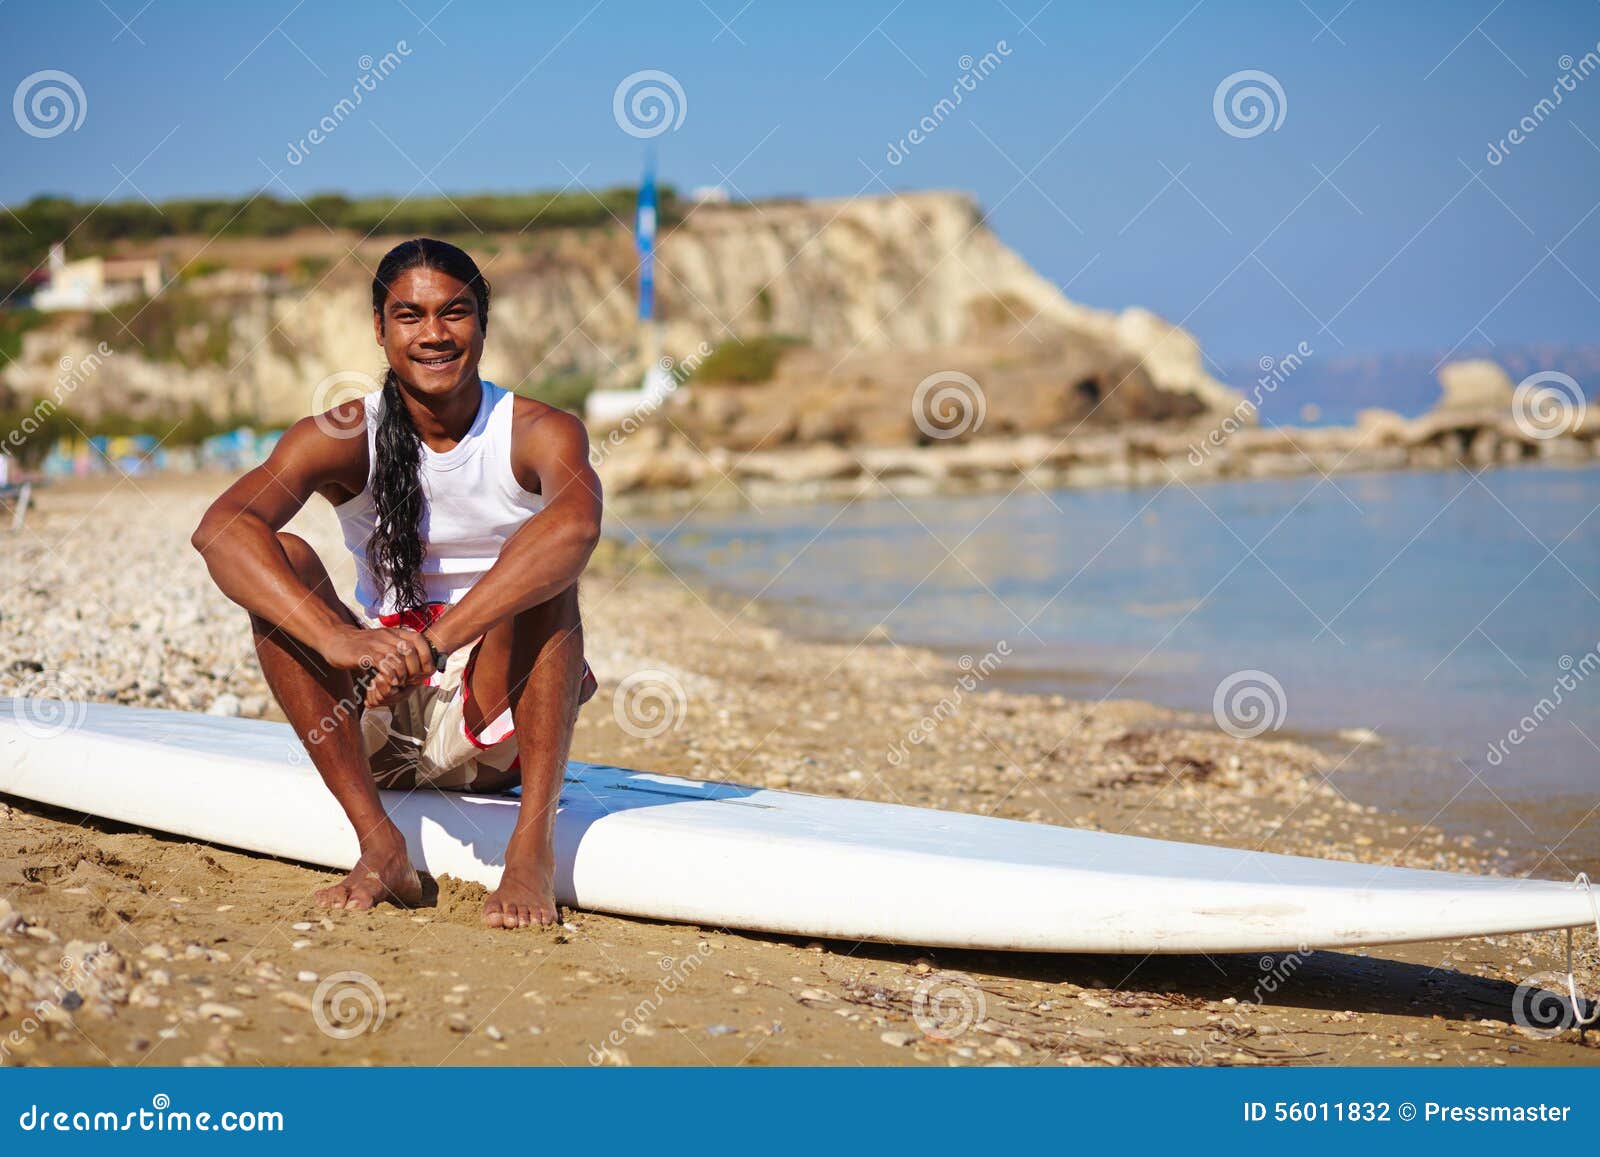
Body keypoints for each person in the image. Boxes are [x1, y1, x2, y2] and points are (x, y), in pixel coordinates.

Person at [192, 238, 602, 929]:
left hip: (489, 717)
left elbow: (577, 529)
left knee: (548, 575)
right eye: (409, 315)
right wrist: (339, 640)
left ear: (483, 324)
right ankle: (379, 845)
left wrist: (435, 644)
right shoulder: (342, 433)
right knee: (281, 557)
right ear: (380, 331)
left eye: (455, 312)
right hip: (371, 710)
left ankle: (530, 851)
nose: (433, 333)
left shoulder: (538, 430)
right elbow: (221, 529)